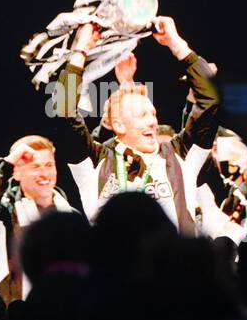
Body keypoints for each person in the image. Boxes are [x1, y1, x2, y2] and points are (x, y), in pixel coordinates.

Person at [54, 16, 219, 234]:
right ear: (118, 125)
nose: (152, 121)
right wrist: (81, 49)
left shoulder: (181, 154)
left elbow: (212, 97)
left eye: (153, 114)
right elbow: (63, 111)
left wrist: (176, 43)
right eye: (142, 115)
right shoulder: (96, 161)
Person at [0, 135, 76, 298]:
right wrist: (6, 166)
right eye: (35, 167)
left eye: (49, 165)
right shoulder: (4, 214)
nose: (44, 173)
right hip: (16, 314)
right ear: (17, 173)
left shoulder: (72, 217)